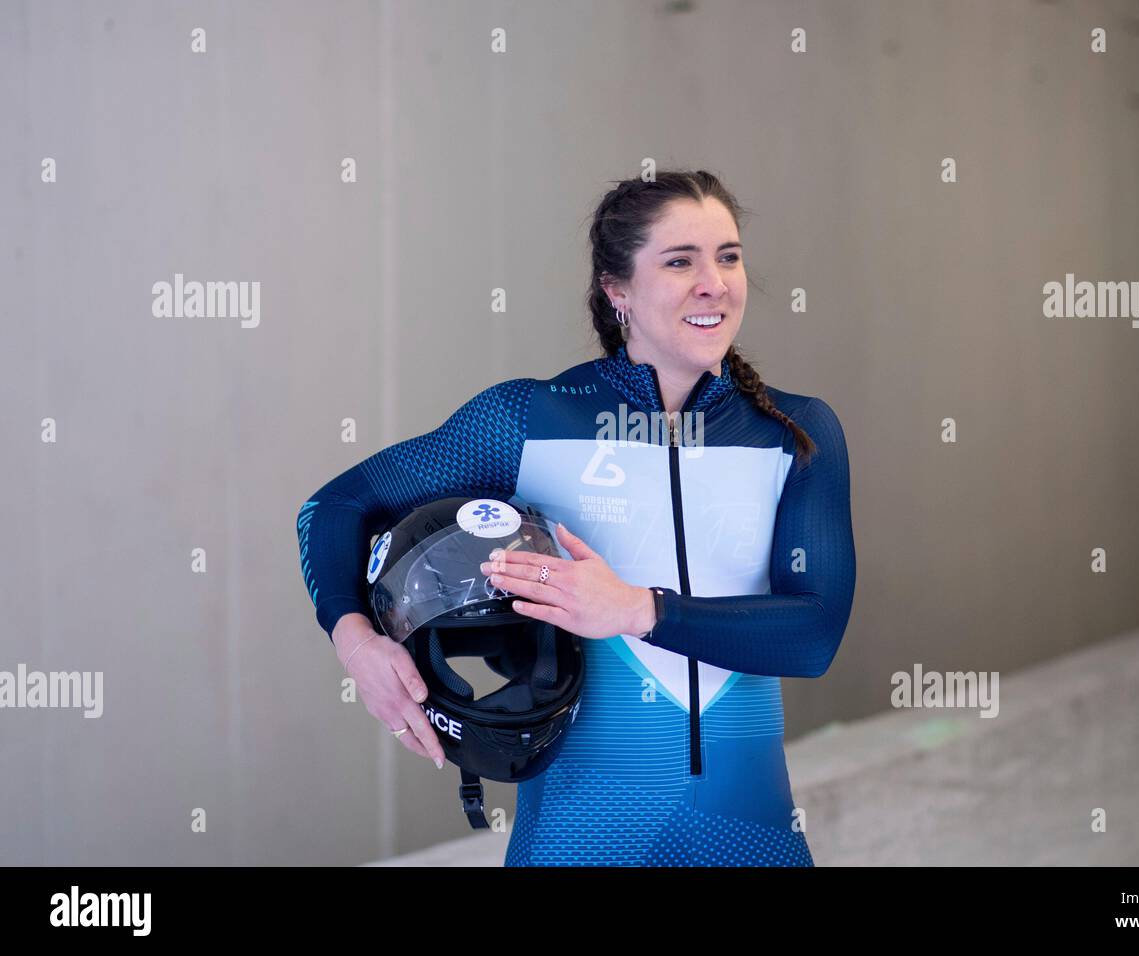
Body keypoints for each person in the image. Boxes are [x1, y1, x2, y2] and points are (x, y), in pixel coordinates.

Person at [295, 169, 856, 866]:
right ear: (616, 290)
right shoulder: (530, 419)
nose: (714, 281)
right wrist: (358, 645)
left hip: (748, 833)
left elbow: (813, 636)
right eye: (680, 261)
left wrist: (634, 608)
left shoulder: (792, 431)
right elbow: (335, 506)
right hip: (579, 837)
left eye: (729, 256)